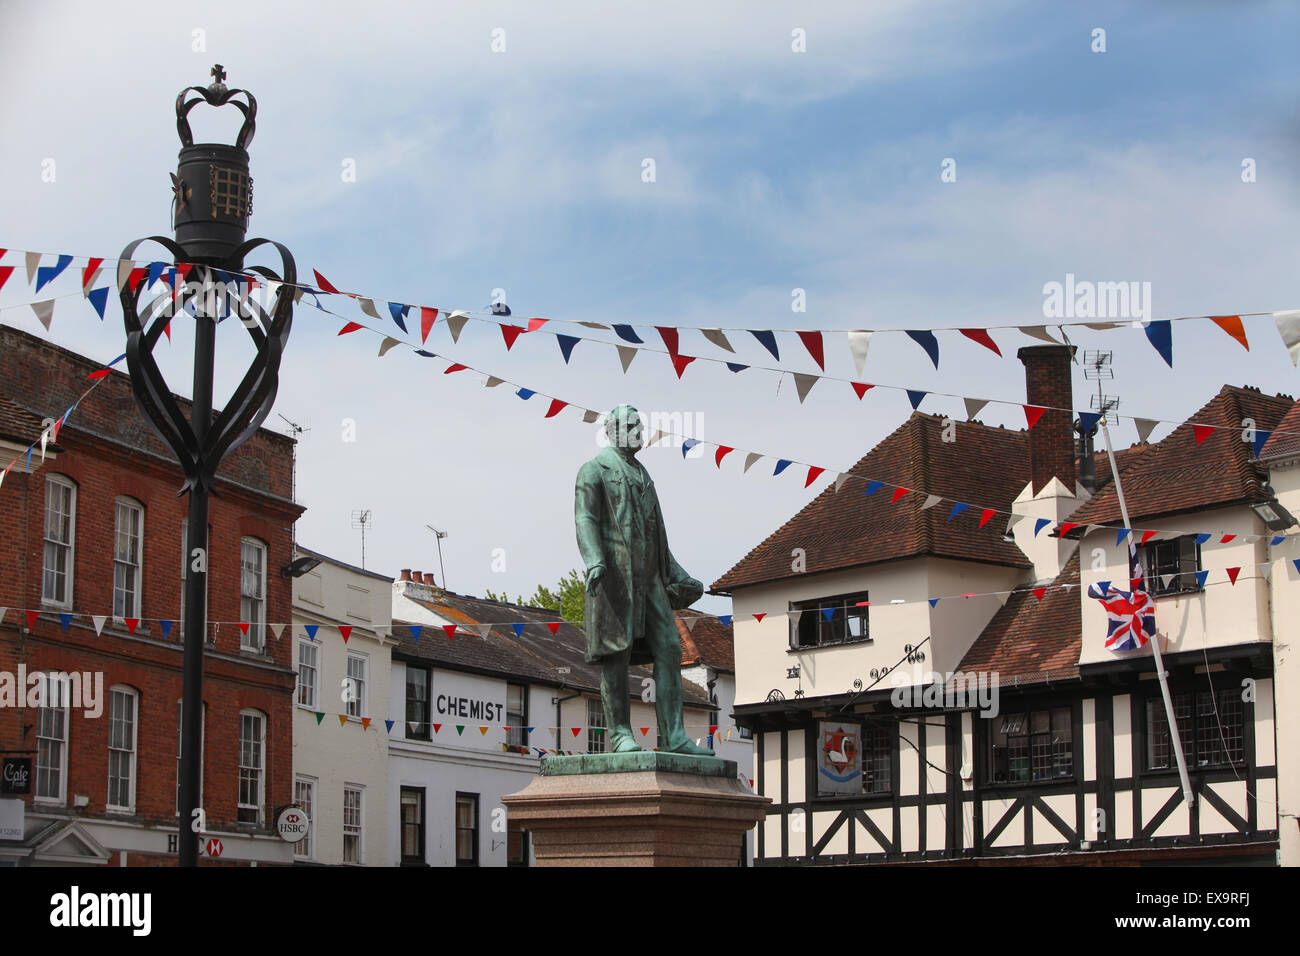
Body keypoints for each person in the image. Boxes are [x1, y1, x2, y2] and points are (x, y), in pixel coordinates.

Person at [574, 405, 711, 755]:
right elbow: (585, 519)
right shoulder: (594, 470)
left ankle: (675, 738)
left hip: (650, 579)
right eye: (632, 425)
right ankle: (620, 734)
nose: (640, 431)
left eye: (641, 425)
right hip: (614, 577)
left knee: (669, 648)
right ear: (612, 430)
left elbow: (657, 536)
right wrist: (594, 562)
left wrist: (680, 577)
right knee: (616, 655)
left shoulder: (643, 475)